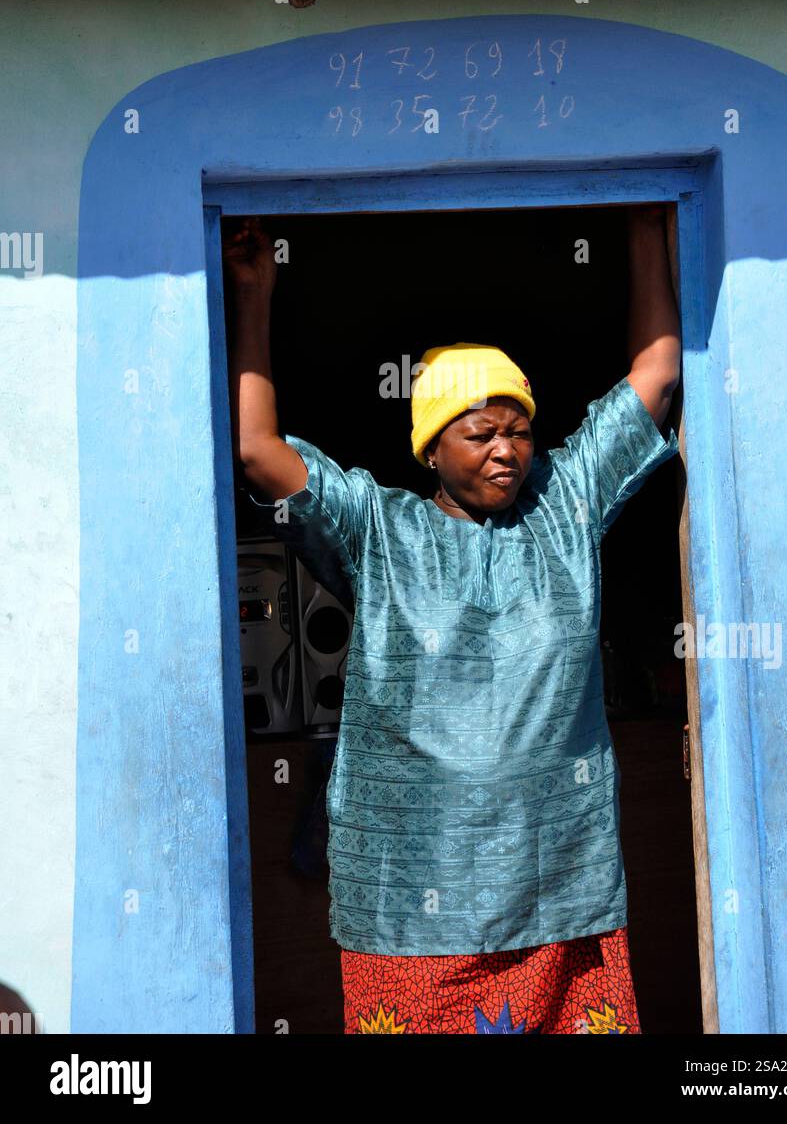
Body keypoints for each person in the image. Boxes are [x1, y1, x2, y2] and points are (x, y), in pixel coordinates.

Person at [224, 207, 682, 1036]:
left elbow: (655, 375)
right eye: (480, 433)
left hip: (560, 894)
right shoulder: (379, 527)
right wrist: (254, 293)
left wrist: (647, 220)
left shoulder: (565, 507)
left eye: (519, 430)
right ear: (431, 445)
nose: (507, 449)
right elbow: (258, 448)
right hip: (411, 905)